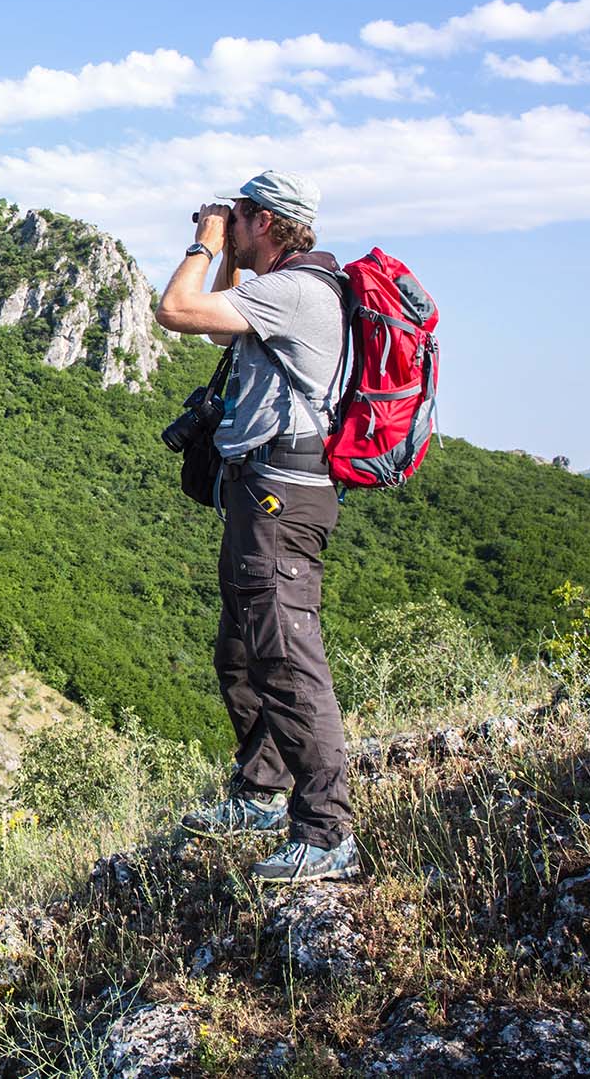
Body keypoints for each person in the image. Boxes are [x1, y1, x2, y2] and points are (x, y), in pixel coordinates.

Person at [152, 170, 359, 883]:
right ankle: (262, 790)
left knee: (288, 658)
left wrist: (203, 241)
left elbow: (176, 308)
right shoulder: (278, 288)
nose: (228, 221)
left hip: (281, 499)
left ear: (265, 220)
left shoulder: (298, 291)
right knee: (240, 652)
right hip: (257, 495)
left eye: (240, 214)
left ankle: (326, 831)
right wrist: (231, 242)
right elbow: (218, 315)